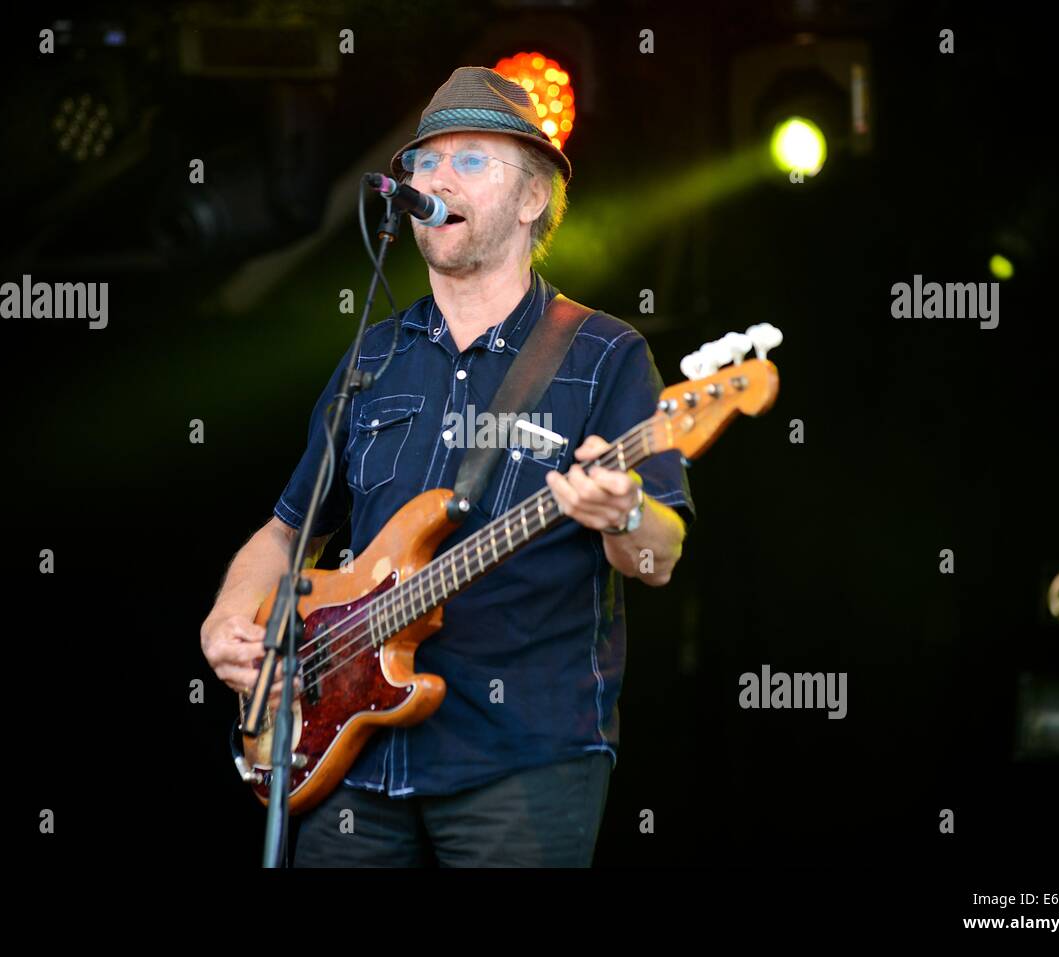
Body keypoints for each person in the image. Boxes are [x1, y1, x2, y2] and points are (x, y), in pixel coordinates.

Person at [200, 66, 695, 866]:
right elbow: (288, 528)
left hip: (524, 763)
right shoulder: (376, 356)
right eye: (425, 161)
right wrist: (225, 620)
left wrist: (626, 514)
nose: (434, 177)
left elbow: (659, 556)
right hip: (347, 758)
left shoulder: (605, 355)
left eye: (471, 159)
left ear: (532, 197)